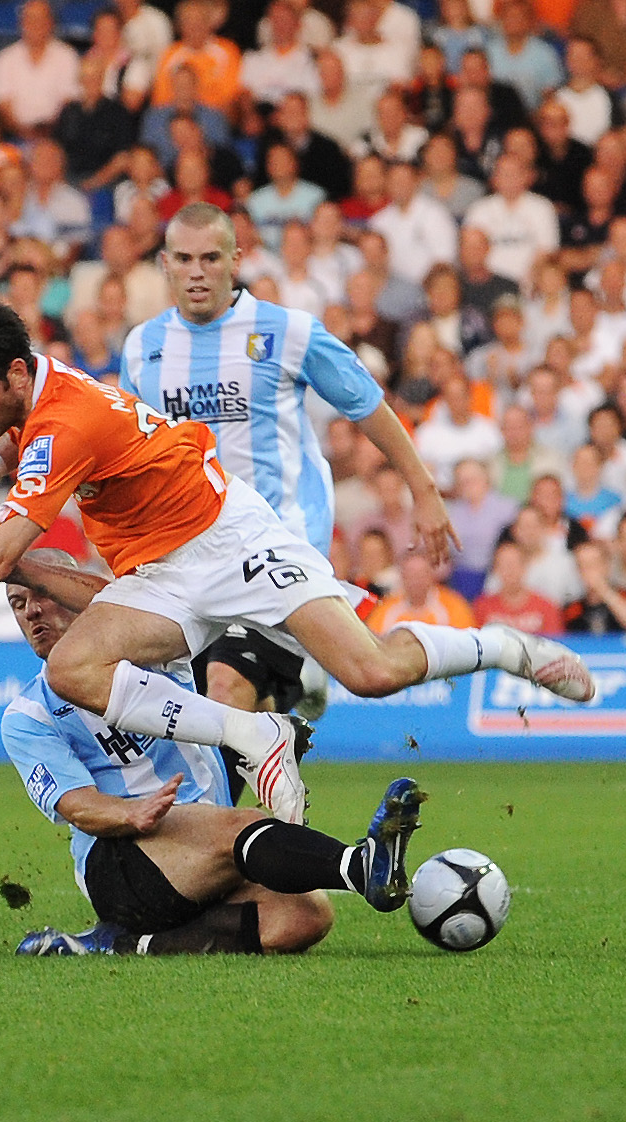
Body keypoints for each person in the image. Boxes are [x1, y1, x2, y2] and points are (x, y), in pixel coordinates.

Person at [0, 301, 595, 826]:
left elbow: (2, 550)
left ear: (18, 375)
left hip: (233, 541)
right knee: (72, 669)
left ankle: (509, 648)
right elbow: (22, 442)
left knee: (369, 673)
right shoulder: (43, 395)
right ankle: (251, 735)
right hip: (162, 574)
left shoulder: (66, 422)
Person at [113, 202, 459, 730]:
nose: (197, 271)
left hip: (280, 538)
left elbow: (366, 403)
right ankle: (293, 701)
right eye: (184, 259)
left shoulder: (286, 331)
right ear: (164, 263)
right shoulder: (143, 347)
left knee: (226, 690)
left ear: (237, 259)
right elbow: (139, 451)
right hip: (196, 549)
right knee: (217, 712)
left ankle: (467, 649)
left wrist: (424, 490)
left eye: (210, 257)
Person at [0, 545, 426, 956]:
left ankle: (118, 944)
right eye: (18, 603)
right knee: (238, 825)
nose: (32, 611)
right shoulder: (28, 715)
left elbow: (115, 598)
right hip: (121, 863)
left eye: (45, 594)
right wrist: (129, 813)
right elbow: (76, 805)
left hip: (205, 850)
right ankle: (362, 867)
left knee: (304, 916)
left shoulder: (150, 654)